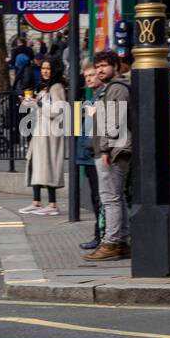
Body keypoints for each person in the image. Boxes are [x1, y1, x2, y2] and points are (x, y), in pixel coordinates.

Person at [84, 49, 132, 261]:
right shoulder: (109, 89)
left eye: (104, 65)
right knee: (116, 197)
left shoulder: (117, 89)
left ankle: (111, 242)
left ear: (115, 66)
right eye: (98, 66)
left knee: (110, 198)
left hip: (113, 150)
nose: (100, 70)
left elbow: (113, 121)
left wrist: (104, 149)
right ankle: (121, 240)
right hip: (111, 149)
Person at [18, 58, 67, 216]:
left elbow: (58, 109)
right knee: (35, 165)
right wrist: (30, 103)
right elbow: (42, 109)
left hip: (49, 134)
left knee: (48, 167)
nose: (45, 71)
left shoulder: (56, 87)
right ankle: (36, 202)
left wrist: (38, 104)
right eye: (43, 68)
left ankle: (52, 205)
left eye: (48, 68)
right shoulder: (44, 87)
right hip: (40, 133)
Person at [76, 62, 105, 250]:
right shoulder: (91, 97)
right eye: (86, 76)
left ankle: (101, 235)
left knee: (100, 197)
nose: (88, 79)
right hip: (87, 155)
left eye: (91, 75)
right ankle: (99, 234)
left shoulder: (101, 97)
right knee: (96, 197)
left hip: (96, 154)